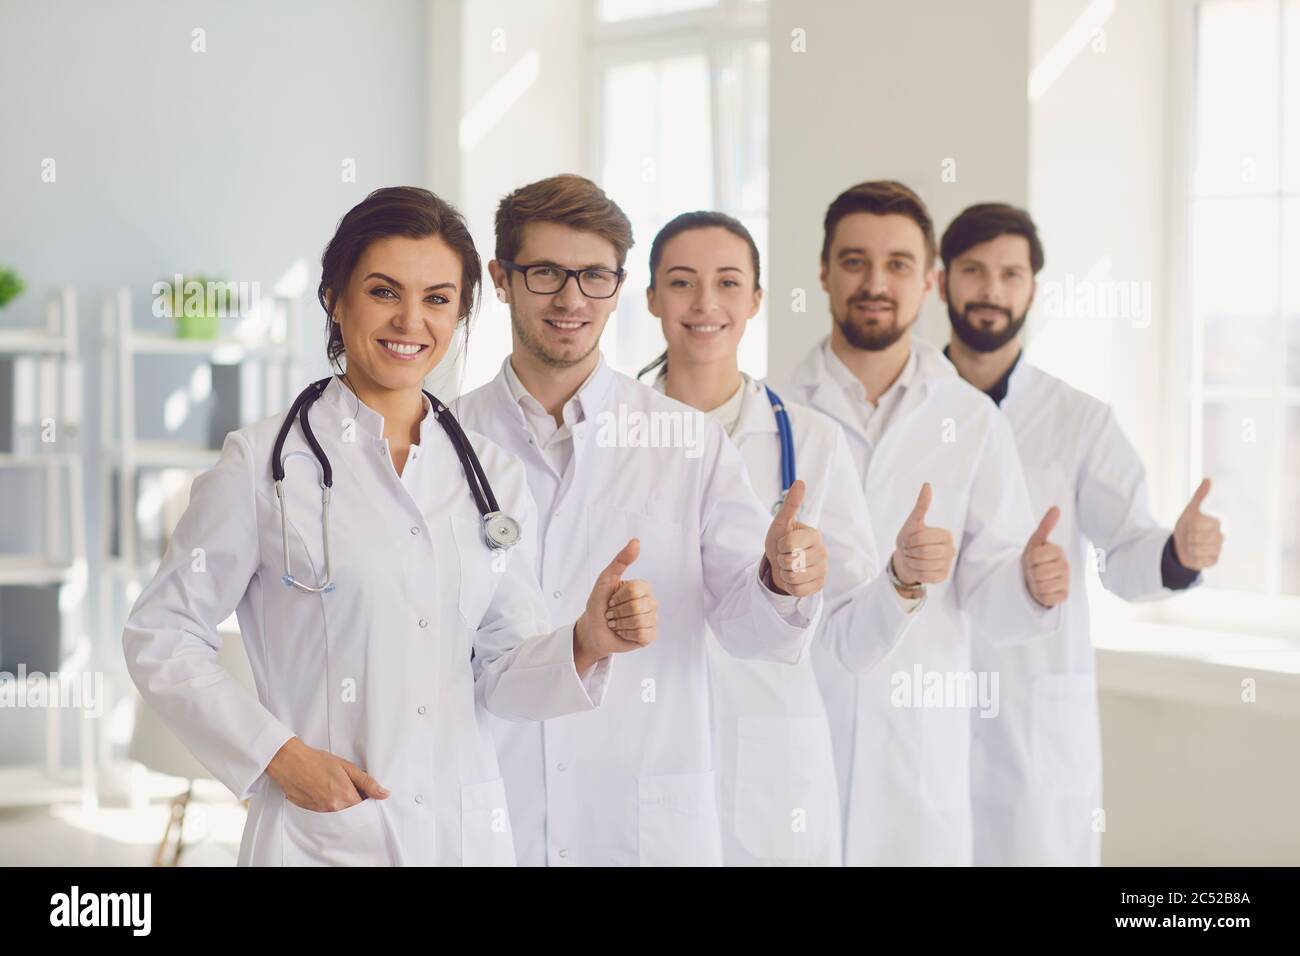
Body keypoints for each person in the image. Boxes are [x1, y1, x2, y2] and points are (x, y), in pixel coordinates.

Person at [122, 186, 658, 867]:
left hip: (463, 836)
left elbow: (500, 670)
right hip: (323, 835)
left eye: (437, 298)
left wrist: (585, 642)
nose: (411, 319)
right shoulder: (262, 463)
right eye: (383, 292)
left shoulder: (487, 472)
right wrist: (279, 757)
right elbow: (161, 636)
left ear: (461, 309)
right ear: (334, 298)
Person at [455, 175, 830, 866]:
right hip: (495, 806)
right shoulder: (445, 439)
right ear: (501, 279)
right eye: (545, 273)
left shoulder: (687, 442)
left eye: (595, 276)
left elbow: (748, 630)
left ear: (619, 285)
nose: (572, 299)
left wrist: (780, 579)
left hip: (641, 819)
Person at [774, 180, 1068, 866]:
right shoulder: (777, 412)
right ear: (822, 270)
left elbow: (995, 597)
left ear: (929, 279)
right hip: (793, 731)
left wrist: (1031, 584)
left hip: (916, 750)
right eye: (854, 261)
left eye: (898, 264)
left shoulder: (970, 420)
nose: (875, 282)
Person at [937, 201, 1224, 866]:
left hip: (1031, 711)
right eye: (974, 270)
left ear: (1033, 288)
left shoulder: (1078, 420)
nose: (991, 290)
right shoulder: (909, 407)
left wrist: (1176, 556)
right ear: (942, 279)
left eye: (1011, 273)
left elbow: (1128, 553)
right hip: (921, 696)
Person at [640, 210, 928, 865]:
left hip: (770, 773)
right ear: (651, 297)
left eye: (729, 283)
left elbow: (851, 640)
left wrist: (900, 578)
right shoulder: (611, 438)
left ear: (756, 300)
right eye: (681, 283)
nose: (706, 303)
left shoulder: (811, 441)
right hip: (640, 746)